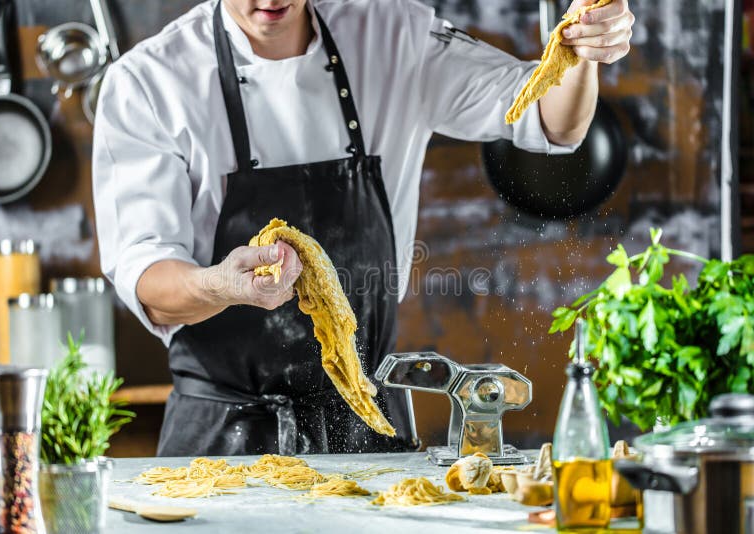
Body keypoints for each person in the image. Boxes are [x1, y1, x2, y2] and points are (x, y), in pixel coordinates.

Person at [92, 0, 635, 456]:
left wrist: (584, 47)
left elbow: (551, 120)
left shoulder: (393, 34)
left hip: (367, 431)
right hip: (222, 440)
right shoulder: (152, 81)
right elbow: (149, 281)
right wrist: (221, 286)